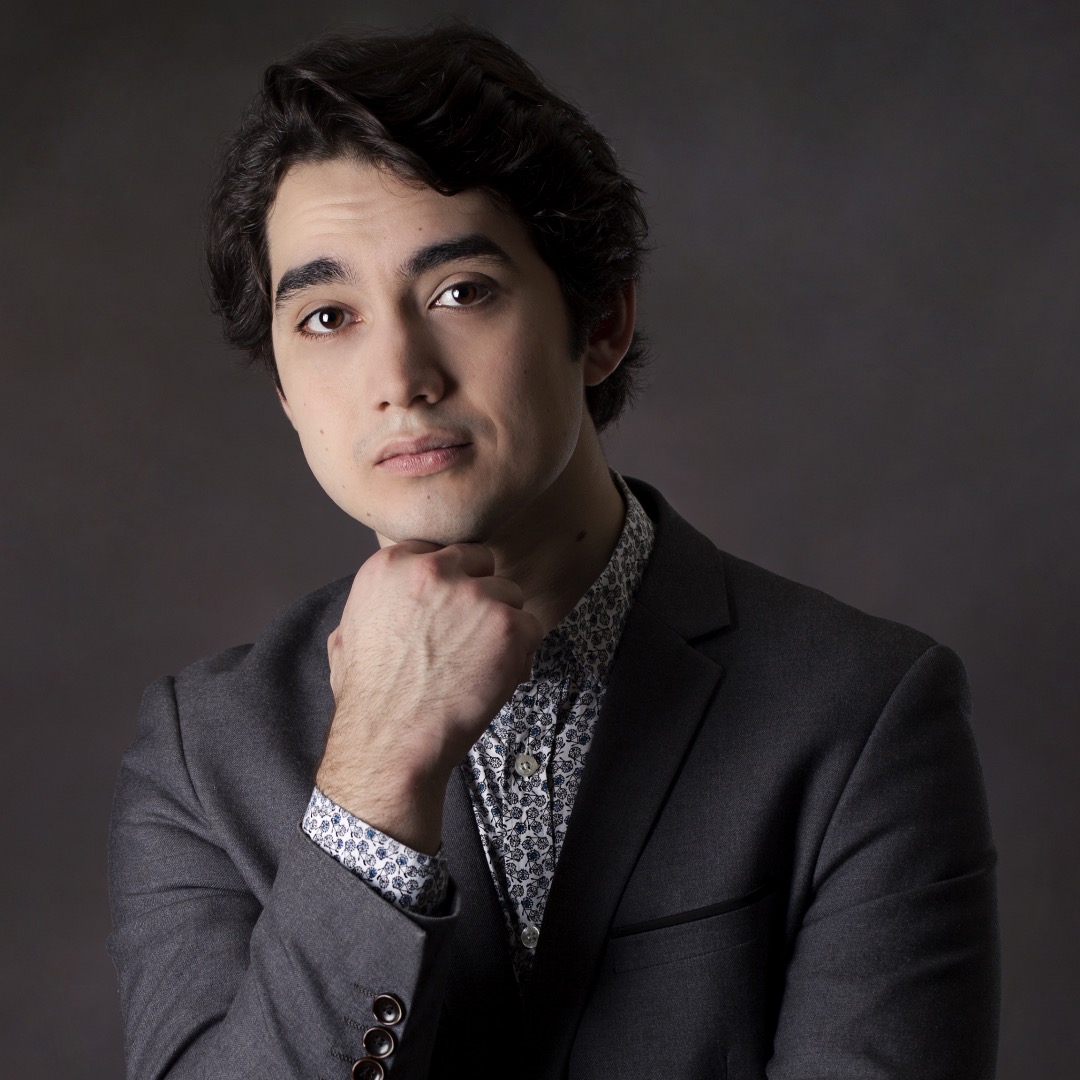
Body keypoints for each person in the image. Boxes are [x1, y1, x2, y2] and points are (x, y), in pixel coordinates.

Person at [107, 24, 1000, 1080]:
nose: (400, 374)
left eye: (460, 292)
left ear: (603, 323)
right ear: (287, 393)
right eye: (328, 316)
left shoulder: (863, 711)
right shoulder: (202, 753)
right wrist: (376, 776)